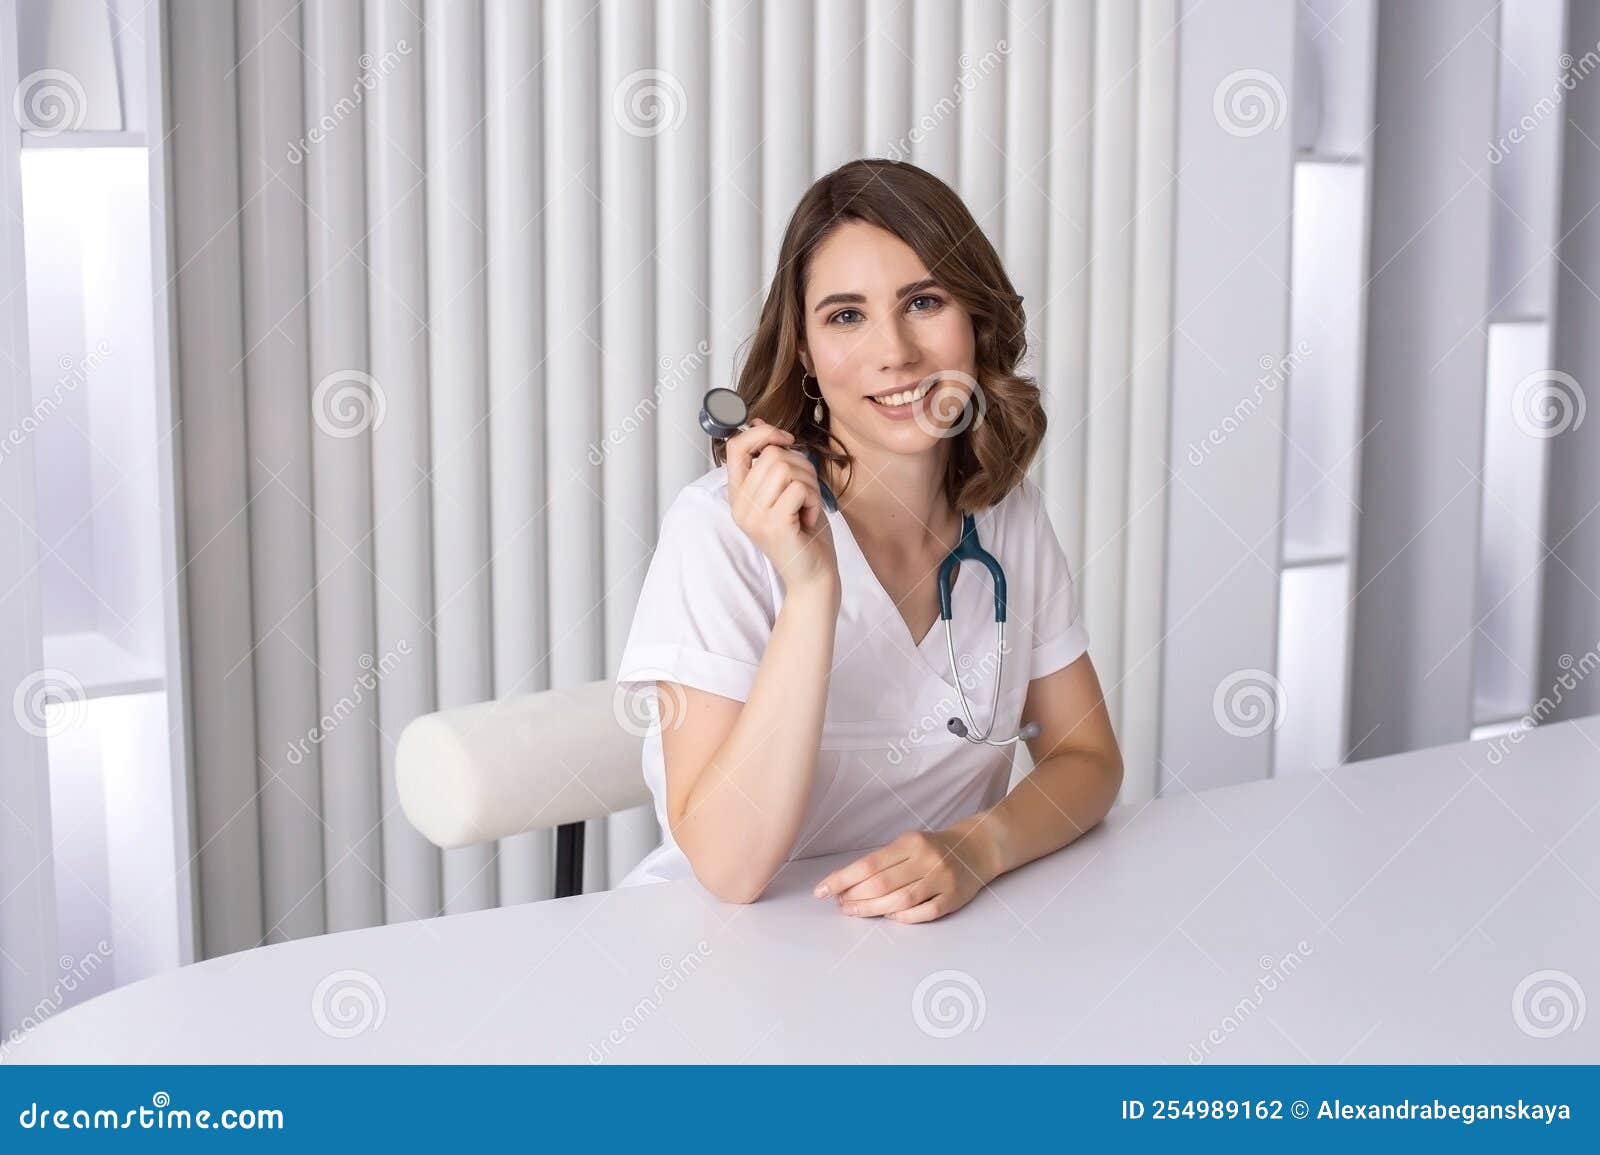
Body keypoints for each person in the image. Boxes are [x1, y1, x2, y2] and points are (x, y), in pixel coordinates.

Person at [614, 158, 1122, 923]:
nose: (895, 352)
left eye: (923, 301)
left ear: (976, 323)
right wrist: (812, 589)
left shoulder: (1006, 514)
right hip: (727, 950)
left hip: (930, 936)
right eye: (846, 315)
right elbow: (728, 867)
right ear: (808, 355)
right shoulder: (717, 530)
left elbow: (1087, 761)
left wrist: (977, 847)